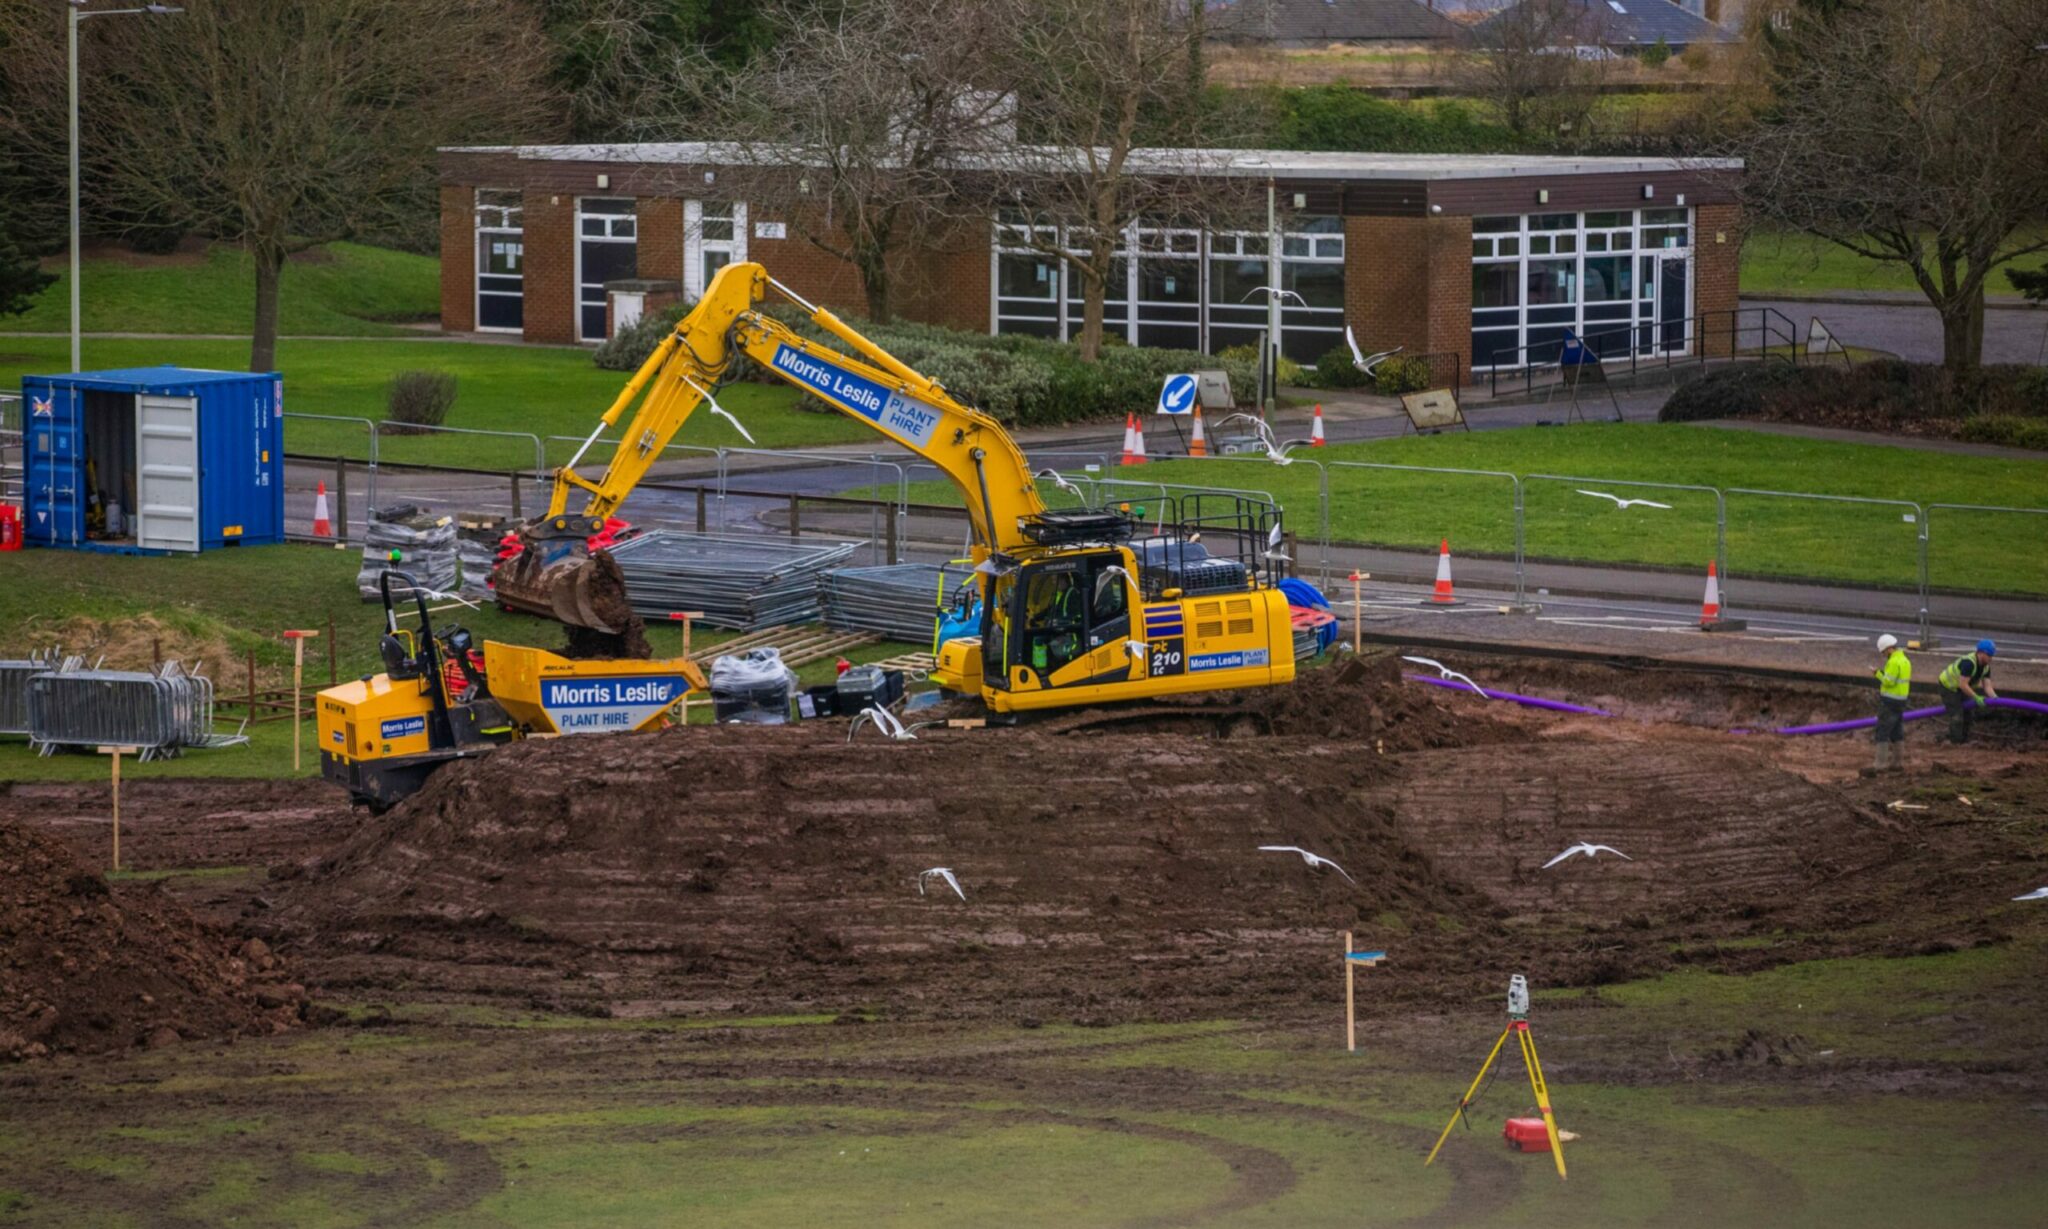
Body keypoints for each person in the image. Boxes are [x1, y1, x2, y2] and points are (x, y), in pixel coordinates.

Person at [1937, 639, 1998, 745]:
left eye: (1992, 656)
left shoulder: (1986, 667)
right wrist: (1976, 697)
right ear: (1980, 653)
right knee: (1957, 716)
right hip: (1949, 688)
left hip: (1961, 688)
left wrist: (1996, 698)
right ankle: (1955, 743)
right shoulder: (1969, 663)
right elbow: (1963, 685)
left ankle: (1964, 740)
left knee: (1968, 714)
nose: (1991, 658)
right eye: (1989, 655)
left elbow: (1987, 686)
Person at [1872, 633, 1912, 773]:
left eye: (1883, 652)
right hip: (1901, 700)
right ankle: (1897, 763)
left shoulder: (1893, 662)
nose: (1883, 655)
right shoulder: (1905, 660)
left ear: (1889, 649)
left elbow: (1889, 681)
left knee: (1882, 731)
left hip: (1889, 701)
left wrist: (1877, 673)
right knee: (1897, 730)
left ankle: (1880, 764)